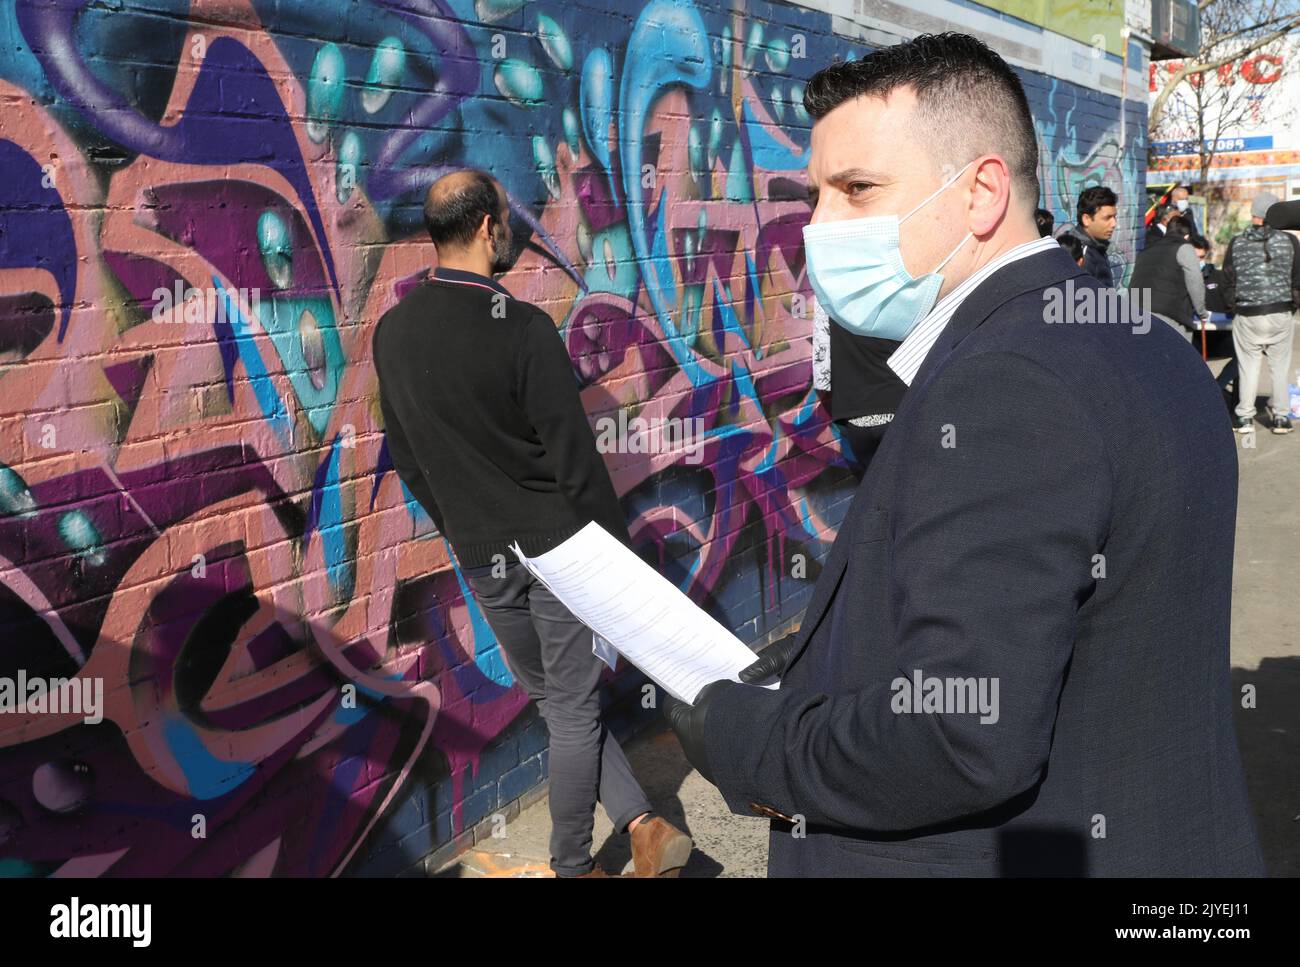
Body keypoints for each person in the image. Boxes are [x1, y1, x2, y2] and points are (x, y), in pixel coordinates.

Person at [664, 31, 1263, 877]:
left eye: (857, 189)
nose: (819, 226)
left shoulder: (1006, 382)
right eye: (814, 196)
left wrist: (747, 738)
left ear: (981, 191)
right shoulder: (1141, 338)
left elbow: (963, 735)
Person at [372, 169, 692, 877]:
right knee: (573, 709)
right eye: (507, 220)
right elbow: (577, 465)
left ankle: (641, 823)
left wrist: (461, 528)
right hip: (560, 548)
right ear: (488, 227)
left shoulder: (392, 333)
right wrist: (615, 564)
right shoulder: (522, 329)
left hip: (482, 556)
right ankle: (573, 866)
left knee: (560, 702)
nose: (513, 231)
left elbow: (409, 459)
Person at [1223, 191, 1299, 434]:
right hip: (1280, 312)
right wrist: (1292, 307)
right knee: (1279, 366)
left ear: (1254, 214)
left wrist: (1232, 306)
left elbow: (1227, 279)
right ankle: (1280, 418)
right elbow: (1297, 279)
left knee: (1248, 366)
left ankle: (1244, 418)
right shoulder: (1289, 241)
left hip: (1247, 314)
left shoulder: (1237, 242)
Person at [1126, 213, 1205, 342]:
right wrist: (1201, 311)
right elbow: (1195, 281)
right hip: (1167, 314)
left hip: (1135, 312)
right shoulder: (1185, 247)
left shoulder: (1146, 250)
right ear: (1187, 236)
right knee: (1176, 358)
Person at [1069, 185, 1118, 285]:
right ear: (1086, 219)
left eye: (1114, 217)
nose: (1114, 224)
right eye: (1107, 218)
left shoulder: (1096, 246)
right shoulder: (1080, 253)